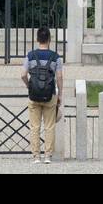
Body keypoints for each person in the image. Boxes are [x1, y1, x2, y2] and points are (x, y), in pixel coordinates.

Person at [21, 26, 64, 164]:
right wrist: (60, 95)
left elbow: (22, 74)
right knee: (49, 126)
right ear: (49, 39)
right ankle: (47, 156)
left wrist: (29, 86)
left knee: (34, 126)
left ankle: (36, 156)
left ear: (37, 39)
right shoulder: (55, 57)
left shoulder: (30, 55)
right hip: (50, 95)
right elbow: (59, 77)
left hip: (33, 96)